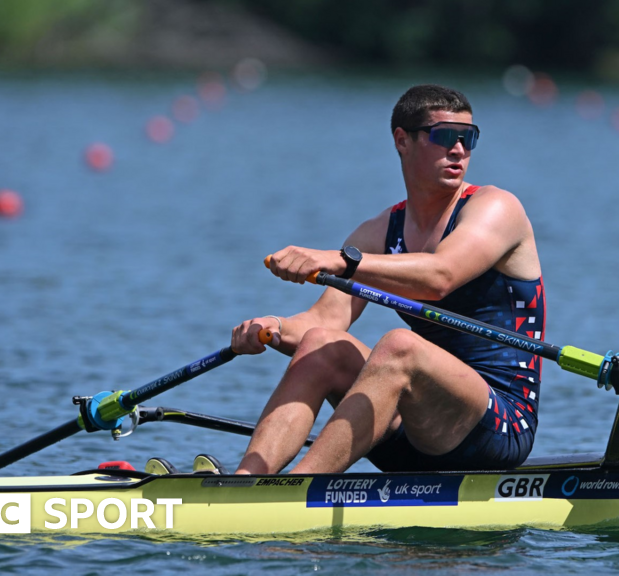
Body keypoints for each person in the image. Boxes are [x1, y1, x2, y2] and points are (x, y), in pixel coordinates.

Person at [231, 84, 545, 474]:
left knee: (400, 346)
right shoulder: (377, 234)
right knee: (320, 344)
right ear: (402, 140)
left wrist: (339, 262)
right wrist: (270, 327)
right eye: (445, 136)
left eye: (469, 138)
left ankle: (297, 491)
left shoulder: (495, 208)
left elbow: (440, 276)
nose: (459, 150)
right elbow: (323, 321)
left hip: (498, 428)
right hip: (412, 431)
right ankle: (245, 484)